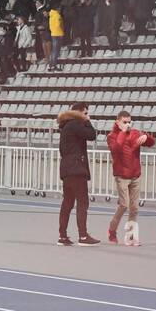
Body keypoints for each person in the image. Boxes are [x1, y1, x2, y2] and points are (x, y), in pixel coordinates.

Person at [106, 111, 154, 245]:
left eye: (129, 122)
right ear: (118, 122)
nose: (128, 124)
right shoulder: (111, 136)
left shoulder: (134, 133)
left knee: (134, 208)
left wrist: (147, 137)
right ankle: (112, 230)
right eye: (125, 122)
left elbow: (151, 143)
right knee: (124, 205)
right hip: (122, 175)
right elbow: (116, 149)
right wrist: (122, 132)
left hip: (135, 174)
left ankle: (131, 237)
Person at [57, 103, 99, 246]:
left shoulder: (65, 126)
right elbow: (92, 135)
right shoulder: (75, 124)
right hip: (76, 169)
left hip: (67, 169)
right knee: (82, 201)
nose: (88, 115)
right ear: (79, 113)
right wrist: (87, 121)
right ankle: (83, 236)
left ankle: (62, 236)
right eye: (85, 113)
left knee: (67, 202)